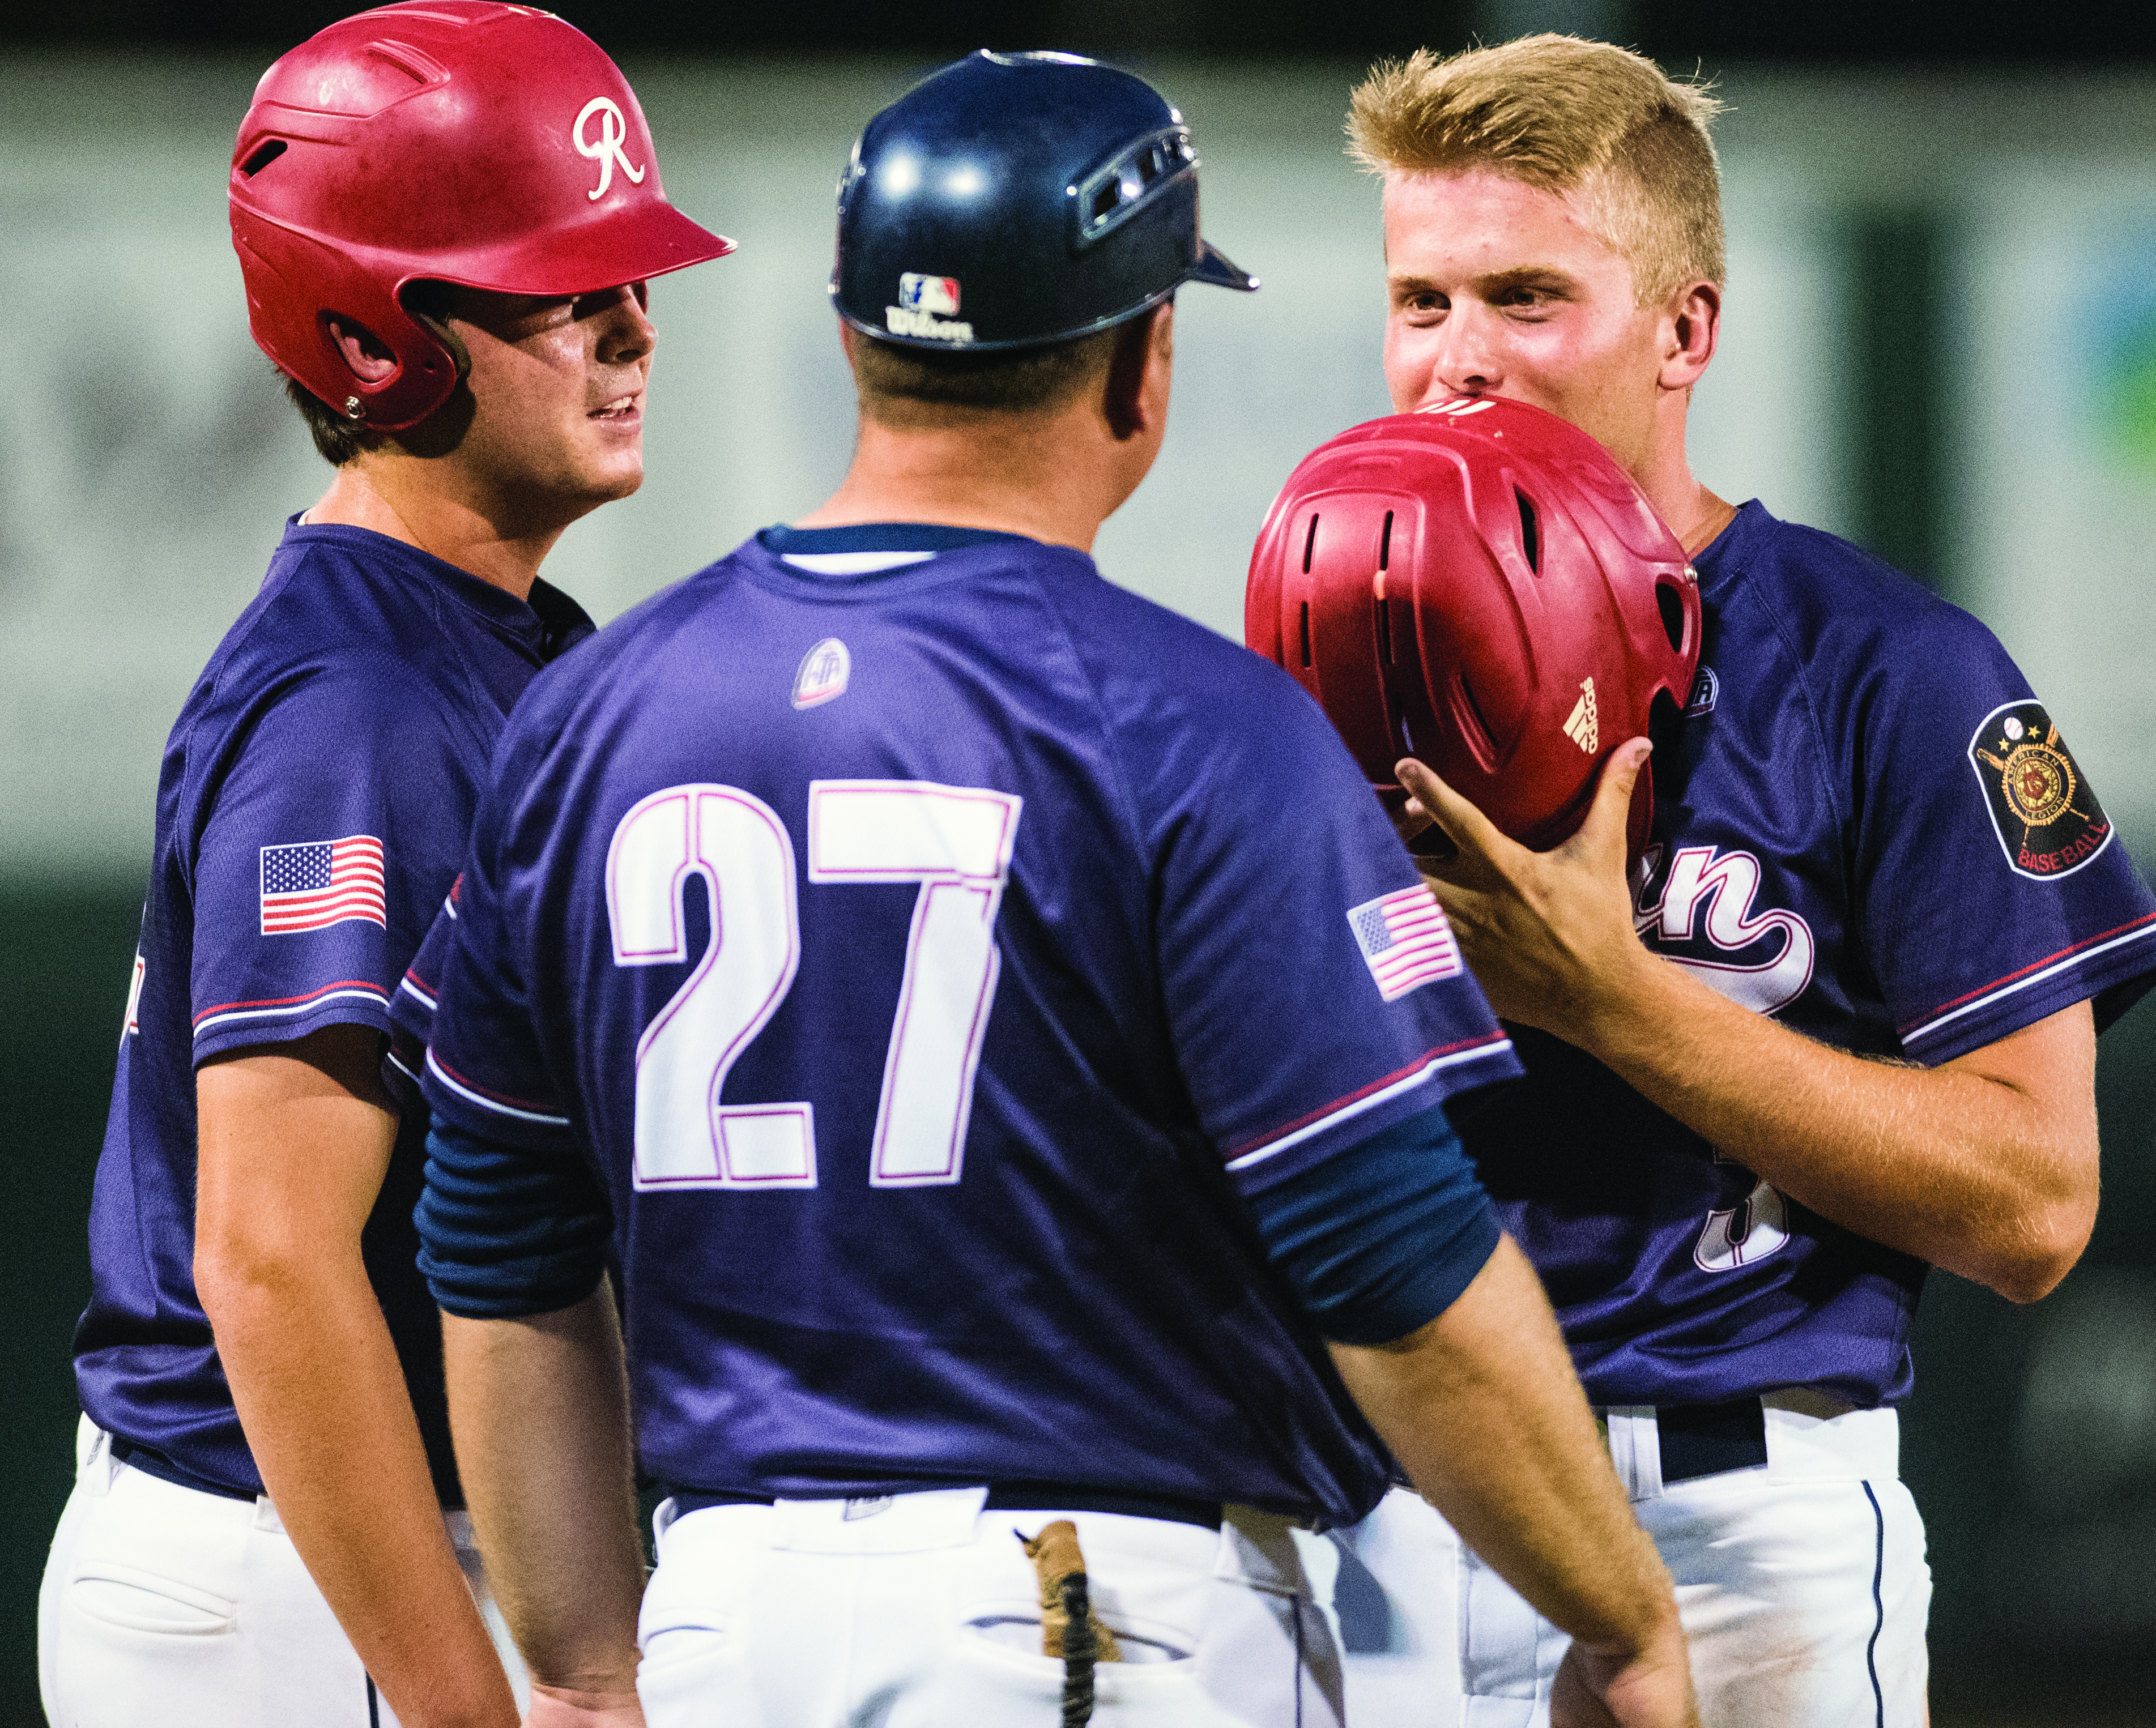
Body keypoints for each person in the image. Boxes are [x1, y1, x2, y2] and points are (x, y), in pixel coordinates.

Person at [407, 50, 1697, 1728]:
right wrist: (1615, 1618)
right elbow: (1388, 1256)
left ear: (858, 336)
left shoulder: (590, 714)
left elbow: (499, 1249)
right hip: (1087, 1614)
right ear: (1142, 357)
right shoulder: (1191, 724)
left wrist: (581, 1674)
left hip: (723, 1616)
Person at [1339, 32, 2156, 1726]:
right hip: (1382, 1509)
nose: (1455, 363)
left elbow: (2034, 1207)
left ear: (1682, 330)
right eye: (1421, 302)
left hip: (1729, 1511)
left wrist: (1610, 1000)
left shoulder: (1881, 670)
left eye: (1523, 298)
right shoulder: (1315, 665)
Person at [39, 7, 734, 1725]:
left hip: (345, 1554)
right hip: (301, 1572)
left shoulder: (463, 640)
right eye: (560, 288)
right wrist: (464, 1704)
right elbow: (270, 1257)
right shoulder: (361, 702)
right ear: (372, 336)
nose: (631, 322)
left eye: (631, 274)